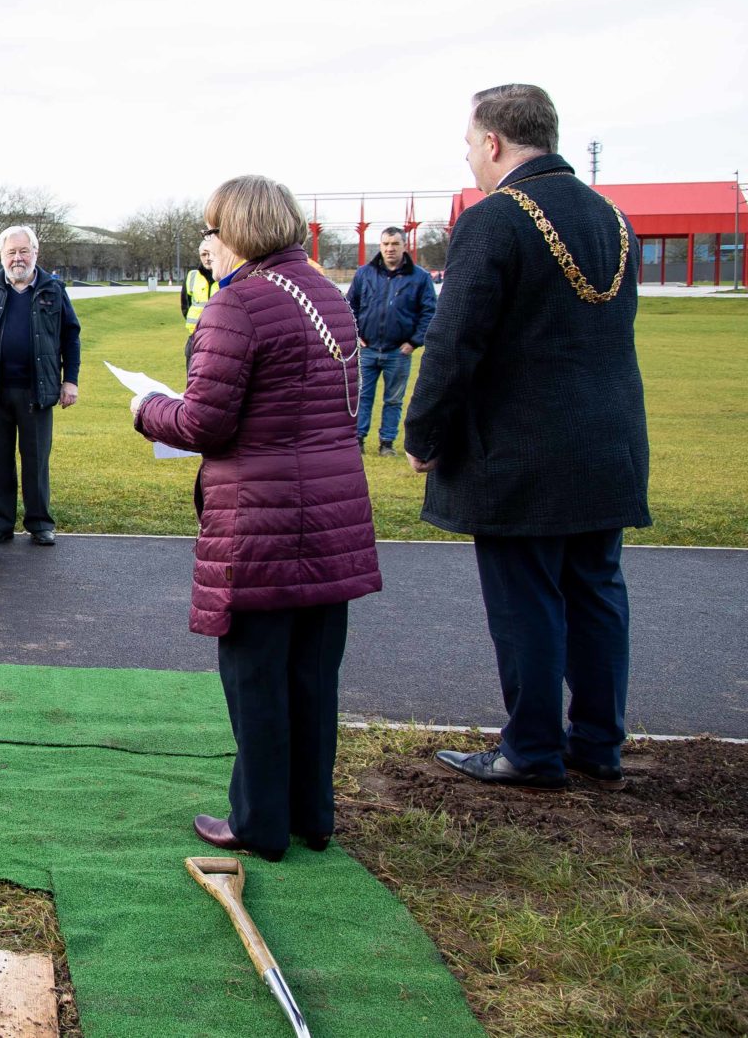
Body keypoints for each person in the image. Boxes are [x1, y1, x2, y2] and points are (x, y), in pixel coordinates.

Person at [131, 175, 381, 861]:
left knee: (255, 676)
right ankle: (311, 812)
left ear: (236, 231)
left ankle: (259, 821)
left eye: (212, 229)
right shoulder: (332, 296)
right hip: (331, 517)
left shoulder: (235, 306)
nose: (207, 242)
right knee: (311, 675)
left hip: (262, 522)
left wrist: (146, 407)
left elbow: (205, 420)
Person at [407, 85, 648, 792]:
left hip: (521, 451)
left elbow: (453, 343)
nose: (471, 159)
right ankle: (599, 741)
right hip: (608, 442)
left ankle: (533, 748)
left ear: (493, 143)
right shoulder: (613, 217)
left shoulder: (494, 220)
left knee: (527, 597)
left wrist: (425, 433)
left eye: (469, 145)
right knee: (597, 589)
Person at [0, 225, 82, 545]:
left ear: (35, 253)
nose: (18, 258)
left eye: (23, 251)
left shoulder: (53, 289)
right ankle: (0, 521)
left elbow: (71, 336)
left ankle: (39, 521)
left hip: (37, 390)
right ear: (2, 255)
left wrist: (69, 380)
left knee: (35, 459)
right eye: (11, 252)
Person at [345, 226, 437, 456]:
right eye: (385, 244)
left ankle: (387, 442)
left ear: (404, 246)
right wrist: (355, 334)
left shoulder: (420, 278)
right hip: (367, 348)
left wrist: (414, 342)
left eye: (395, 244)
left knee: (394, 400)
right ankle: (358, 439)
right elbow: (349, 307)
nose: (389, 249)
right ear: (381, 246)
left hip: (399, 351)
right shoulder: (364, 274)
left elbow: (429, 312)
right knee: (362, 397)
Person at [181, 241, 215, 356]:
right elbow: (185, 304)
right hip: (194, 337)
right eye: (203, 255)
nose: (207, 258)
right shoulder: (192, 276)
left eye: (210, 253)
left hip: (217, 337)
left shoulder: (226, 276)